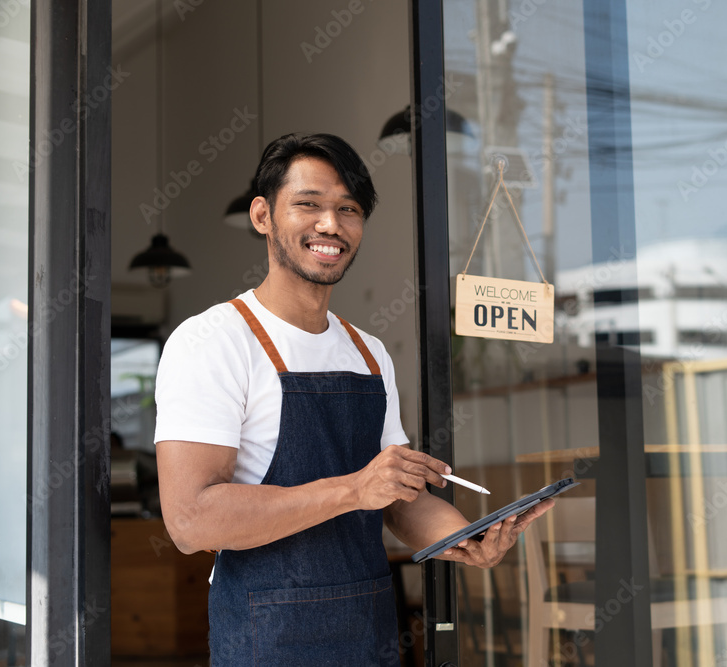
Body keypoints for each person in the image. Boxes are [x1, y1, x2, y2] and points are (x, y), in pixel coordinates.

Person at [154, 132, 553, 666]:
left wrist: (461, 538)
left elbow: (393, 496)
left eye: (348, 209)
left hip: (368, 629)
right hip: (266, 636)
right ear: (262, 215)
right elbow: (191, 520)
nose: (330, 225)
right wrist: (352, 489)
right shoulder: (213, 341)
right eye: (308, 205)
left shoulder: (369, 352)